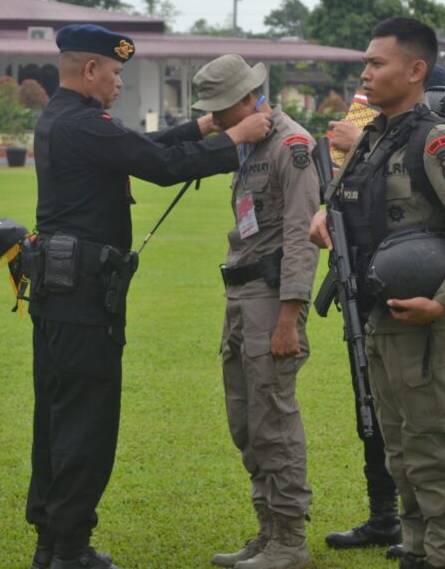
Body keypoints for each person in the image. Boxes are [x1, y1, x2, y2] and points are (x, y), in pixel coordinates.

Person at [27, 24, 272, 569]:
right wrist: (235, 136)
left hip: (60, 293)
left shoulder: (63, 118)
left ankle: (52, 543)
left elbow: (137, 148)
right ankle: (68, 548)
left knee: (57, 418)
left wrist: (200, 127)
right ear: (90, 70)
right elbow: (160, 167)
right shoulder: (84, 123)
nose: (118, 83)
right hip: (84, 296)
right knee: (85, 424)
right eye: (114, 73)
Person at [309, 18, 445, 569]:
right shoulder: (372, 134)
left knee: (431, 453)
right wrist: (324, 215)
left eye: (376, 63)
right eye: (365, 62)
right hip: (379, 315)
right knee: (399, 451)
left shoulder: (436, 139)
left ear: (415, 70)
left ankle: (443, 559)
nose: (364, 73)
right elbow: (341, 196)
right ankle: (415, 551)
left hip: (427, 324)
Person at [191, 55, 319, 569]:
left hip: (273, 300)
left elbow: (301, 236)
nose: (215, 119)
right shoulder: (248, 143)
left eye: (220, 108)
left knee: (273, 418)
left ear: (249, 97)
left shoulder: (293, 146)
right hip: (240, 297)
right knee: (244, 421)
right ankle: (267, 531)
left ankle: (291, 539)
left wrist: (290, 315)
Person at [323, 62, 445, 556]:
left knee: (409, 420)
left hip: (410, 280)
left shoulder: (429, 112)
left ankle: (420, 535)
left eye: (378, 64)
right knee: (371, 405)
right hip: (362, 276)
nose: (368, 74)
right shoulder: (363, 112)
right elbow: (335, 181)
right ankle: (385, 517)